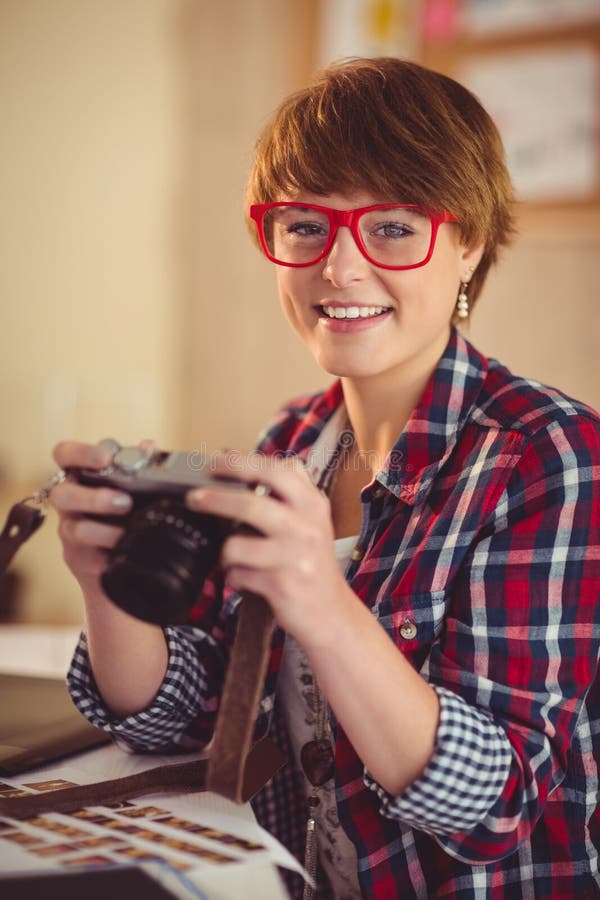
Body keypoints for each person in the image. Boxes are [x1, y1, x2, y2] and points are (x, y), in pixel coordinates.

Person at [51, 57, 600, 899]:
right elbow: (182, 716)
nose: (339, 268)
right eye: (306, 224)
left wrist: (322, 603)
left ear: (469, 243)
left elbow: (496, 804)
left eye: (391, 226)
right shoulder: (294, 441)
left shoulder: (550, 456)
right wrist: (106, 584)